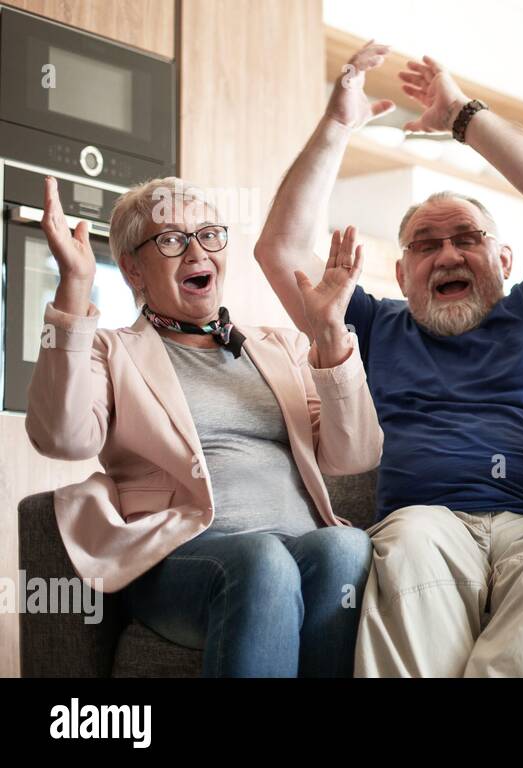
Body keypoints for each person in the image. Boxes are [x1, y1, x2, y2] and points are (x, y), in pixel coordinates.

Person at [255, 41, 523, 677]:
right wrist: (338, 125)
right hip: (428, 523)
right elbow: (280, 246)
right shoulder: (371, 323)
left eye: (467, 239)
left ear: (505, 261)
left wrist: (460, 114)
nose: (447, 255)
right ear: (400, 271)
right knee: (412, 550)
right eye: (425, 246)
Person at [27, 175, 382, 677]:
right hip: (181, 564)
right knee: (263, 561)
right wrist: (73, 288)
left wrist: (328, 333)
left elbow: (355, 456)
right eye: (171, 240)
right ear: (132, 268)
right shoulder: (113, 351)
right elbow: (61, 438)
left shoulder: (281, 347)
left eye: (209, 234)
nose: (197, 251)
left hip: (299, 550)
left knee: (346, 545)